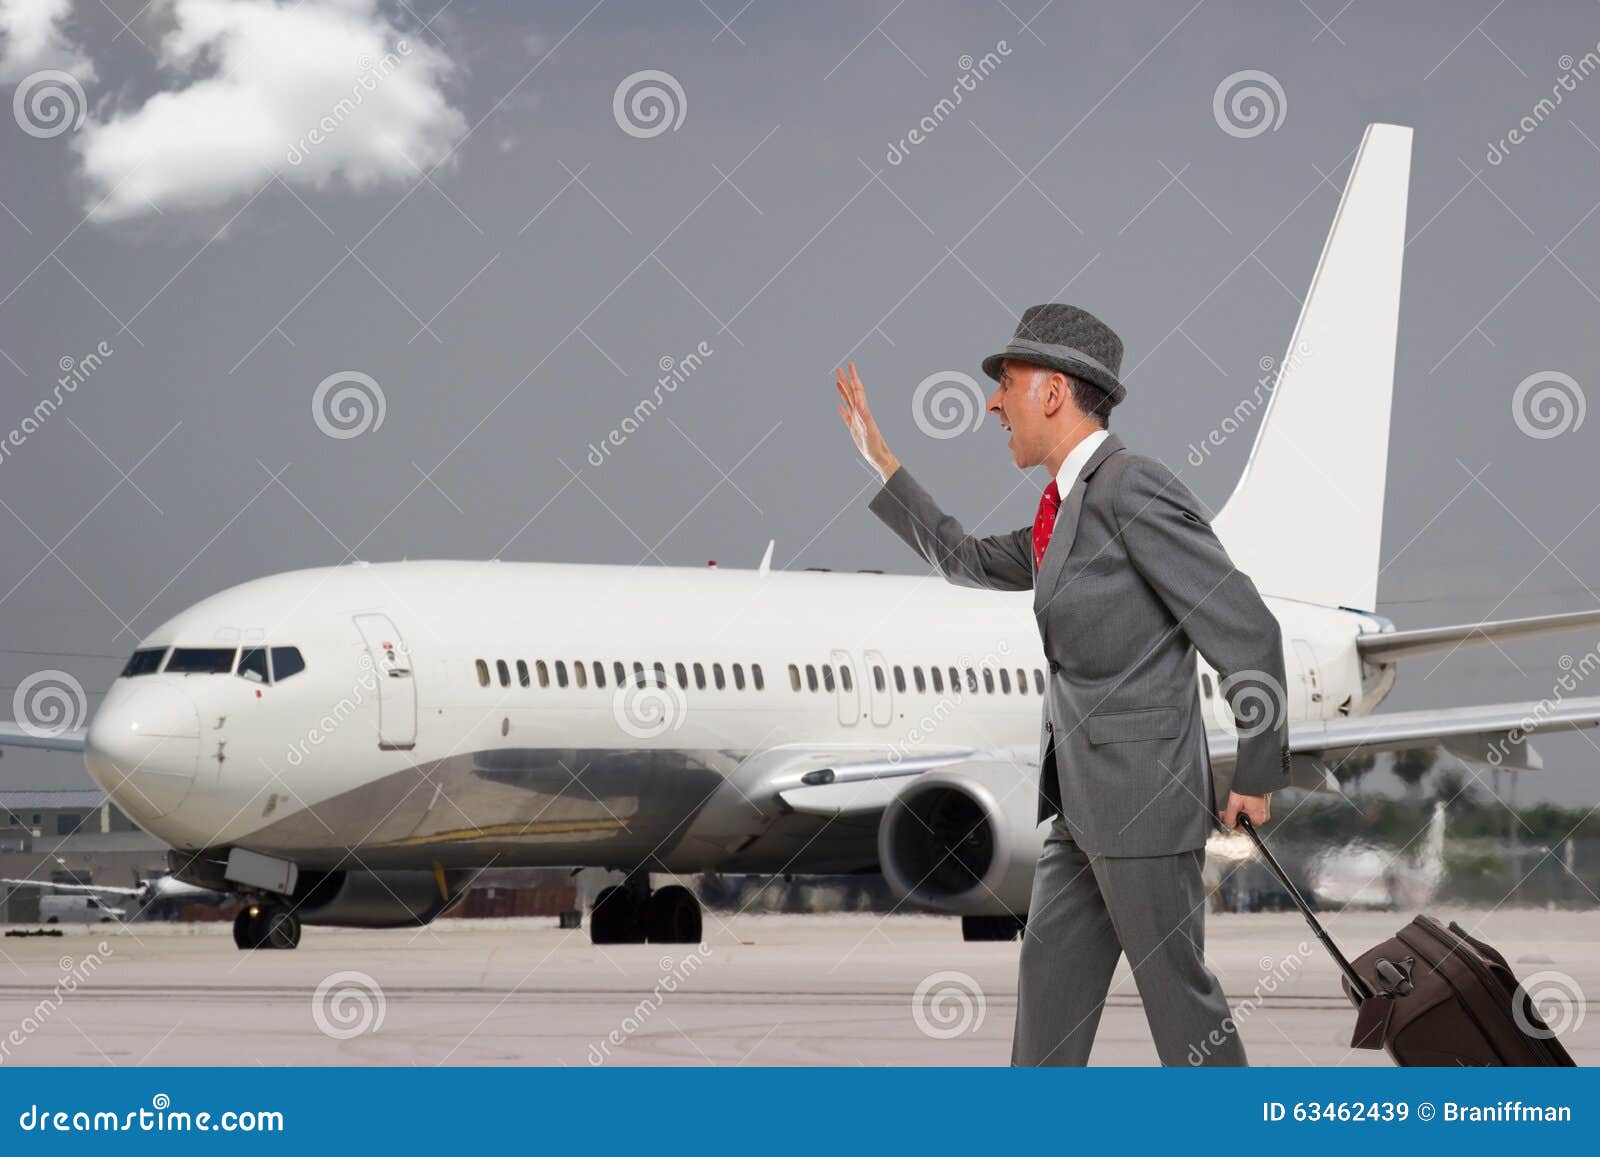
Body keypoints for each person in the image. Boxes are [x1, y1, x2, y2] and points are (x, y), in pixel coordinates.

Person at [834, 303, 1290, 1066]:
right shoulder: (1063, 511)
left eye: (1005, 384)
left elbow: (1246, 629)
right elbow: (966, 559)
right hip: (1077, 811)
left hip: (1145, 805)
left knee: (1183, 1011)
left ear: (1052, 393)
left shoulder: (1133, 489)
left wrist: (1257, 770)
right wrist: (883, 463)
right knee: (1047, 1006)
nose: (992, 404)